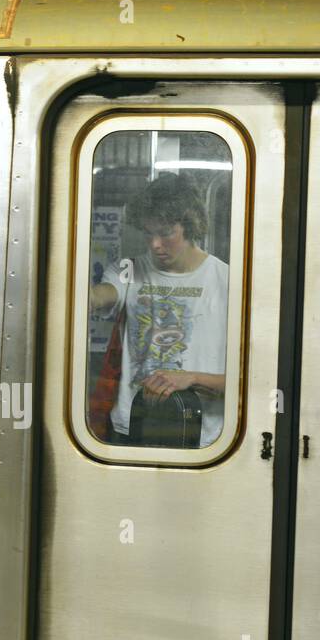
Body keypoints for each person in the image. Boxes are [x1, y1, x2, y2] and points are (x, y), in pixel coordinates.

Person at [88, 173, 230, 448]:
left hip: (202, 436)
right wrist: (85, 296)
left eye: (165, 233)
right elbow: (105, 294)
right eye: (148, 233)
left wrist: (192, 378)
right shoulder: (129, 271)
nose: (155, 244)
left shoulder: (227, 281)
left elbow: (252, 381)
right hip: (131, 427)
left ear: (190, 227)